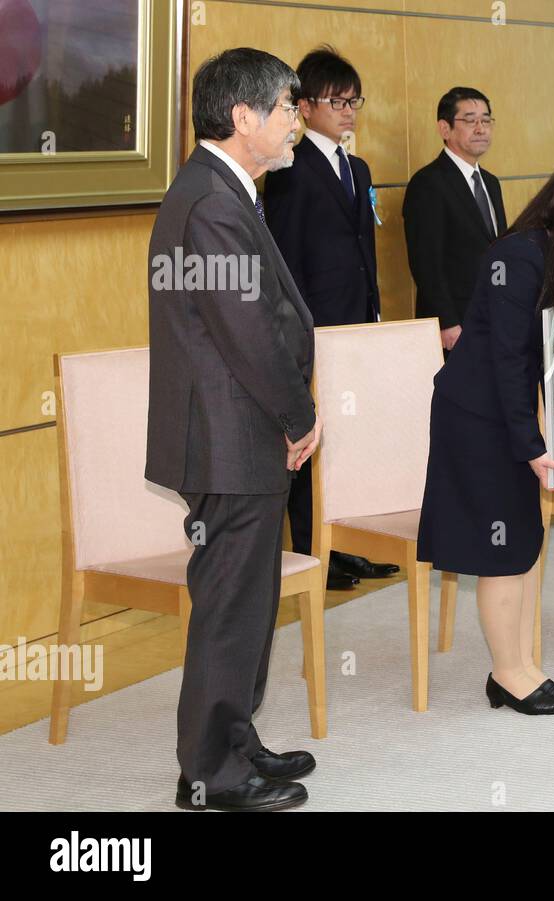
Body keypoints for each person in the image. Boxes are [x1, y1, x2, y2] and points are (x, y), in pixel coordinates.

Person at [145, 48, 320, 811]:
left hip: (238, 432)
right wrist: (299, 413)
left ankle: (235, 740)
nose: (296, 121)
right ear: (244, 116)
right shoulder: (212, 201)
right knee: (228, 606)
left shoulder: (220, 187)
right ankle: (212, 775)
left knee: (247, 601)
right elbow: (248, 331)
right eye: (287, 107)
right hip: (230, 435)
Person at [417, 144, 554, 713]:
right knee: (504, 551)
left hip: (510, 415)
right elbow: (508, 361)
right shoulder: (517, 256)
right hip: (477, 421)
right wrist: (530, 445)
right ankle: (509, 673)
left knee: (522, 545)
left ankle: (520, 668)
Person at [263, 45, 398, 591]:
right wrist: (299, 329)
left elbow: (365, 242)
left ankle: (344, 543)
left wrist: (375, 305)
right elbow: (285, 256)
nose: (347, 111)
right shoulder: (290, 169)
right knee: (312, 436)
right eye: (335, 101)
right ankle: (310, 549)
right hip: (316, 326)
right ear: (305, 106)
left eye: (353, 101)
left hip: (357, 321)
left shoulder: (357, 165)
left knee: (349, 438)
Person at [403, 86, 507, 354]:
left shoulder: (491, 184)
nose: (481, 128)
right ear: (444, 128)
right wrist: (447, 322)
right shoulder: (428, 183)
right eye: (470, 120)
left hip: (492, 317)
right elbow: (426, 262)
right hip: (454, 326)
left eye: (486, 120)